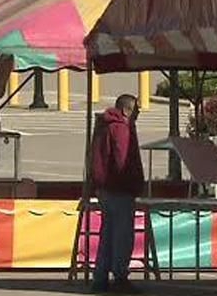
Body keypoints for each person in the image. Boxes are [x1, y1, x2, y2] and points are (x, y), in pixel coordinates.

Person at [90, 94, 145, 294]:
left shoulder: (104, 125)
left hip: (105, 187)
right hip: (120, 187)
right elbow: (123, 158)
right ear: (126, 110)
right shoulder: (121, 128)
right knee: (122, 235)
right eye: (136, 109)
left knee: (107, 233)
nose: (138, 113)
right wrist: (134, 183)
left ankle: (100, 277)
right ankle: (120, 276)